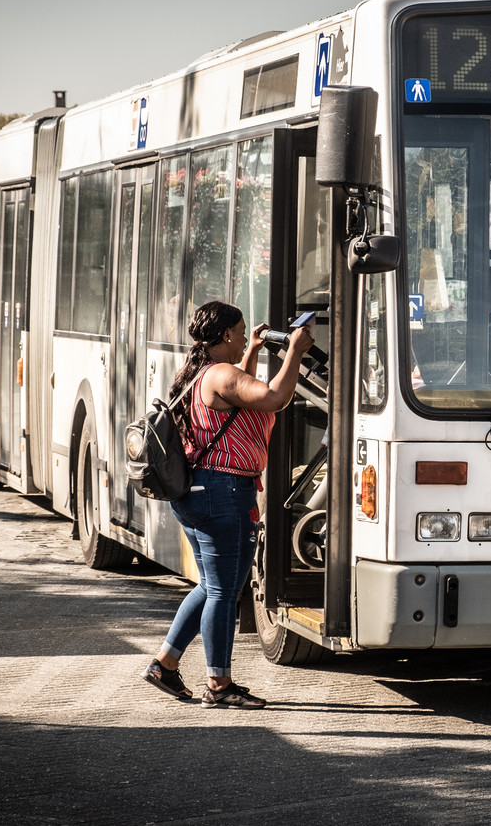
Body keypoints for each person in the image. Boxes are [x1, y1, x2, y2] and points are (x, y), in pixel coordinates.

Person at [142, 300, 314, 710]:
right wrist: (294, 350)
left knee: (210, 586)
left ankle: (165, 664)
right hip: (223, 492)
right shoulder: (221, 373)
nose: (241, 338)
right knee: (223, 591)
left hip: (197, 493)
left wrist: (253, 350)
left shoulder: (204, 373)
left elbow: (241, 394)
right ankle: (218, 685)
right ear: (224, 336)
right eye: (239, 333)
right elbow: (273, 397)